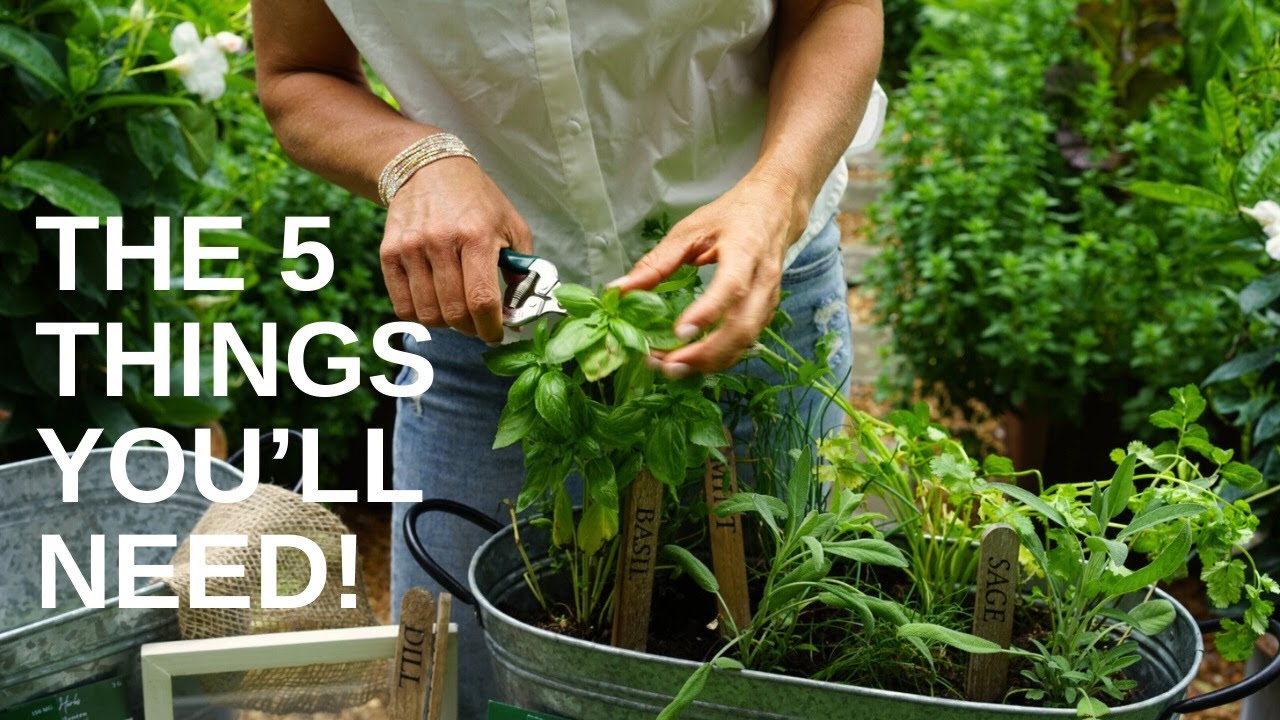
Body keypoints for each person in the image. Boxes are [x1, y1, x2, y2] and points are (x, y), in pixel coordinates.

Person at [252, 1, 884, 715]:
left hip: (747, 296)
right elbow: (296, 75)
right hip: (494, 327)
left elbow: (836, 9)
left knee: (765, 675)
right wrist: (414, 159)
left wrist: (780, 191)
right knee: (466, 693)